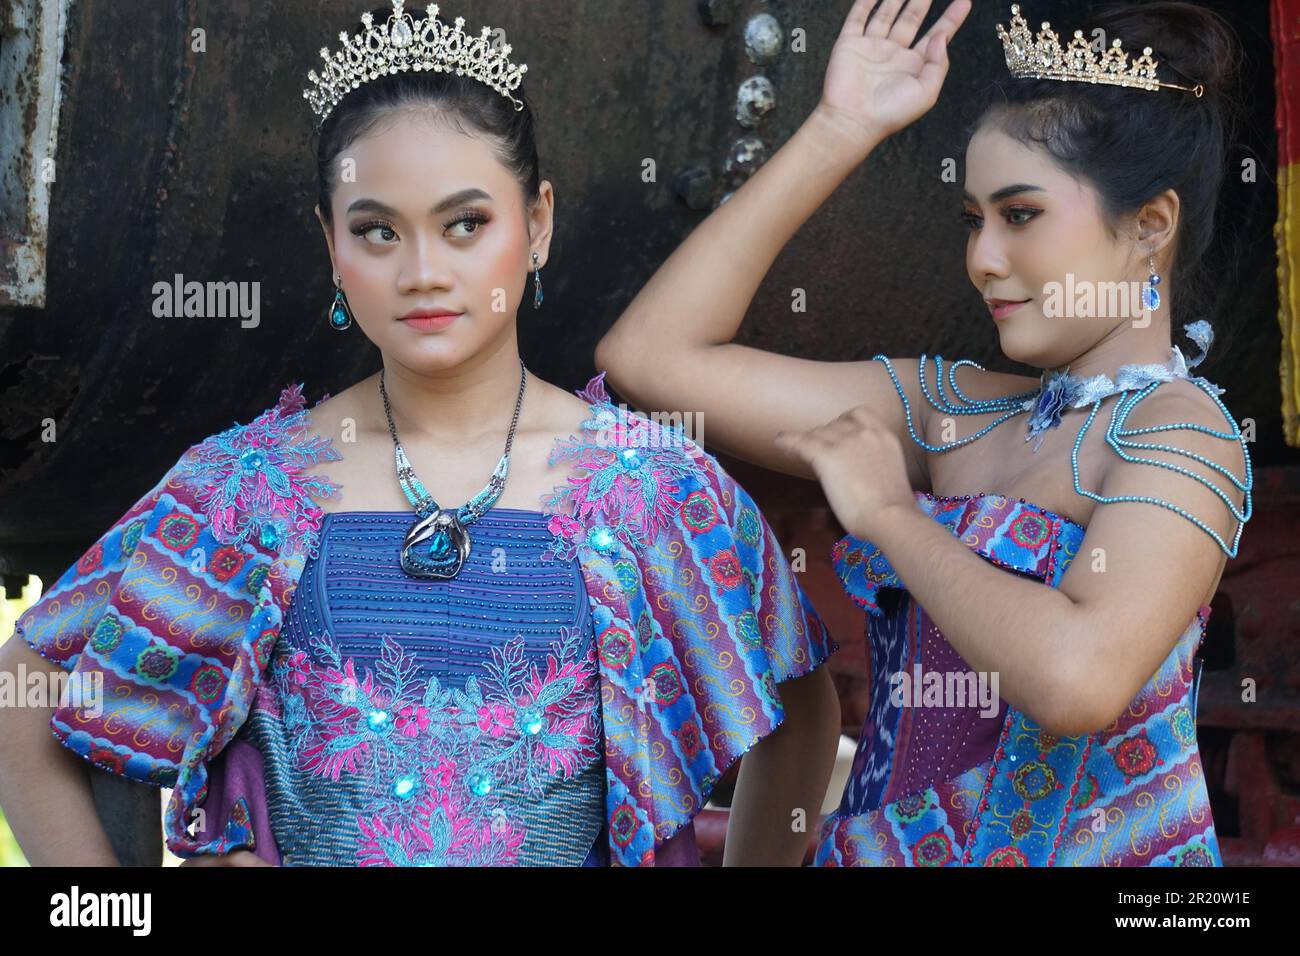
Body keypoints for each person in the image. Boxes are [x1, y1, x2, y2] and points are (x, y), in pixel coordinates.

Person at [0, 0, 841, 867]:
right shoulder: (252, 487)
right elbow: (20, 692)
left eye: (465, 224)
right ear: (331, 246)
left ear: (538, 223)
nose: (424, 272)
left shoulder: (653, 489)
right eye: (377, 232)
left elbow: (799, 701)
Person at [593, 0, 1252, 865]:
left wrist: (890, 519)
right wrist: (839, 126)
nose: (982, 258)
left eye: (1019, 215)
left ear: (1150, 226)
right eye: (974, 220)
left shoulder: (1189, 432)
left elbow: (1078, 679)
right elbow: (650, 358)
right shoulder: (957, 408)